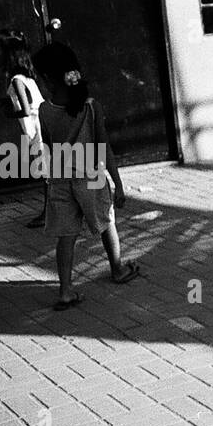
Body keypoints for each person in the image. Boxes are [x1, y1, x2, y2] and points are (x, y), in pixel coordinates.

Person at [32, 42, 138, 310]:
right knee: (105, 221)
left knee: (66, 236)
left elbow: (50, 147)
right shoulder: (91, 107)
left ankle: (65, 290)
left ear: (48, 78)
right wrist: (118, 182)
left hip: (60, 179)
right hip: (90, 176)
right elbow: (103, 148)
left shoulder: (44, 109)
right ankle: (118, 269)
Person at [0, 29, 48, 228]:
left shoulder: (16, 80)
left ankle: (49, 213)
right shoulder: (27, 77)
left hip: (39, 131)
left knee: (47, 174)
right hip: (43, 127)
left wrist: (9, 112)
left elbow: (25, 109)